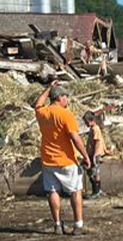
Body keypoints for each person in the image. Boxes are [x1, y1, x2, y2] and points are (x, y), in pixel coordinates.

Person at [35, 81, 92, 236]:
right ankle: (78, 225)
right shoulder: (66, 114)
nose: (68, 100)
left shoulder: (43, 113)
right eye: (66, 97)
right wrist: (86, 156)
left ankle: (57, 224)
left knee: (52, 191)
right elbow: (75, 137)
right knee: (75, 191)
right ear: (60, 97)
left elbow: (38, 104)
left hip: (48, 160)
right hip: (66, 160)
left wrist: (48, 88)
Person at [82, 111, 107, 199]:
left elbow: (97, 142)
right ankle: (95, 190)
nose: (85, 124)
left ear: (91, 120)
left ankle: (96, 191)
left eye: (86, 122)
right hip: (92, 153)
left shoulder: (95, 129)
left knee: (95, 172)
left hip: (94, 154)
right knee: (91, 172)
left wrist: (95, 154)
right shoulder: (92, 129)